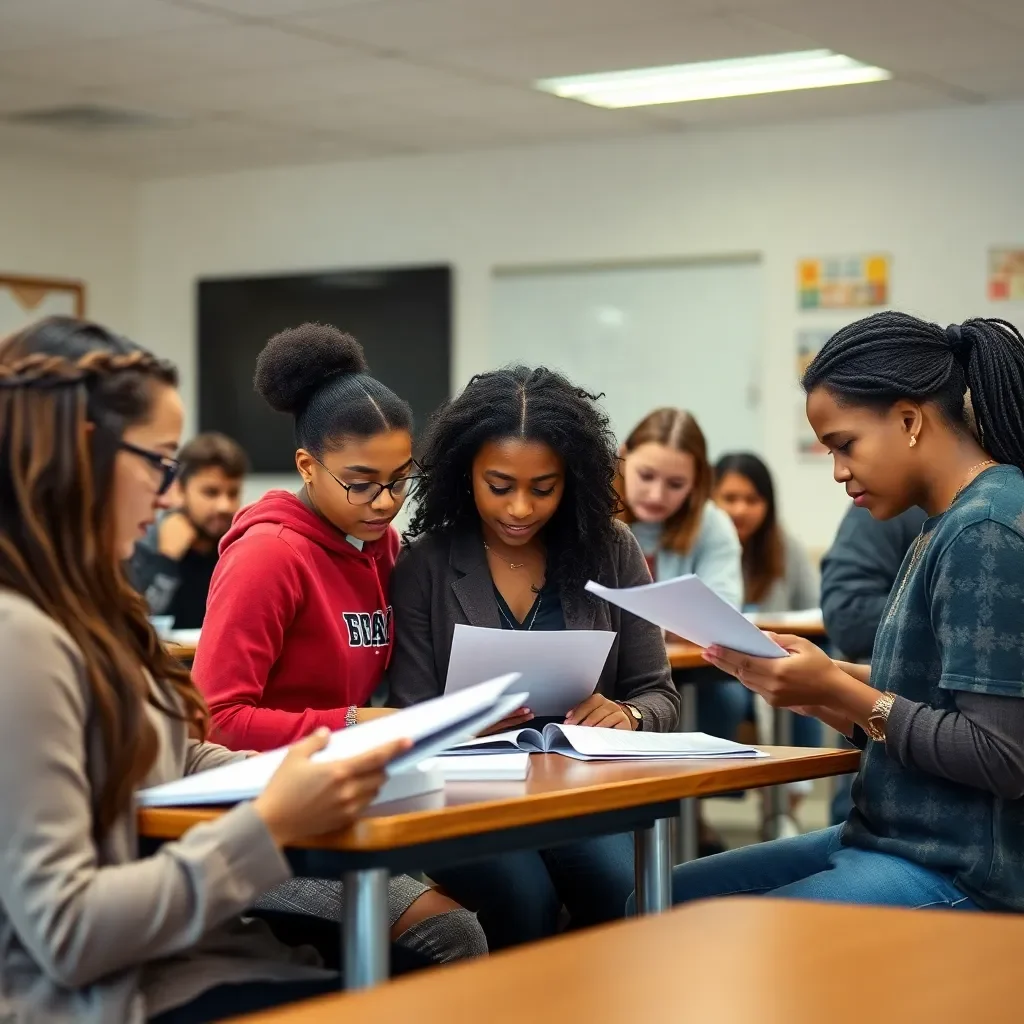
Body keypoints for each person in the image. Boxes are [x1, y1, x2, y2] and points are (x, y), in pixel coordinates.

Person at [0, 316, 413, 1022]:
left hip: (182, 953)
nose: (168, 496)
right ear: (84, 454)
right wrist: (270, 822)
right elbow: (67, 934)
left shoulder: (96, 601)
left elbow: (167, 752)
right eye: (160, 464)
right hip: (101, 992)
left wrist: (292, 776)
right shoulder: (23, 640)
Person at [643, 311, 1024, 913]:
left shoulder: (986, 529)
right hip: (897, 842)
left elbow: (1004, 756)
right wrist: (820, 685)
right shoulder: (947, 523)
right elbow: (941, 697)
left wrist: (842, 695)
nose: (840, 471)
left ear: (908, 420)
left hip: (962, 870)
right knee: (653, 899)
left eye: (845, 446)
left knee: (692, 931)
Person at [192, 323, 487, 967]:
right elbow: (217, 720)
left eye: (399, 480)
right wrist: (353, 725)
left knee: (509, 884)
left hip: (347, 795)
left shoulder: (380, 544)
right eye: (361, 482)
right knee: (451, 933)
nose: (385, 503)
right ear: (307, 466)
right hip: (258, 816)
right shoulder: (268, 556)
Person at [387, 365, 679, 949]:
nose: (520, 508)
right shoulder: (427, 563)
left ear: (570, 480)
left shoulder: (610, 549)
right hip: (466, 797)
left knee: (619, 888)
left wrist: (629, 716)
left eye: (543, 488)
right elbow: (407, 716)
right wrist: (458, 724)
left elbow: (659, 695)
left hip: (578, 791)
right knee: (524, 898)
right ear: (464, 474)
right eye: (499, 486)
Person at [617, 407, 744, 855]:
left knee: (727, 696)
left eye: (676, 485)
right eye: (646, 475)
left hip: (679, 673)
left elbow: (722, 610)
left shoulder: (711, 524)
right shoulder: (594, 516)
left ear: (698, 483)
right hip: (611, 671)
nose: (655, 494)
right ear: (623, 458)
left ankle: (688, 813)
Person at [713, 451, 821, 836]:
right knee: (728, 695)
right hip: (716, 667)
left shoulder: (785, 548)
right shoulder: (706, 544)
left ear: (768, 505)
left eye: (752, 499)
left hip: (771, 656)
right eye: (730, 498)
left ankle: (784, 810)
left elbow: (814, 612)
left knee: (799, 682)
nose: (740, 509)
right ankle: (695, 819)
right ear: (711, 499)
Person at [820, 502, 927, 824]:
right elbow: (848, 614)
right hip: (889, 810)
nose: (841, 472)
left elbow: (990, 753)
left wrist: (835, 687)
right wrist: (834, 689)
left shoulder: (986, 517)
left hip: (950, 840)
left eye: (846, 448)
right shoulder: (891, 508)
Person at [129, 431, 248, 629]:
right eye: (211, 492)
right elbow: (135, 622)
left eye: (232, 493)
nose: (224, 506)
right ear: (180, 490)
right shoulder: (142, 542)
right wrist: (166, 560)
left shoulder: (239, 548)